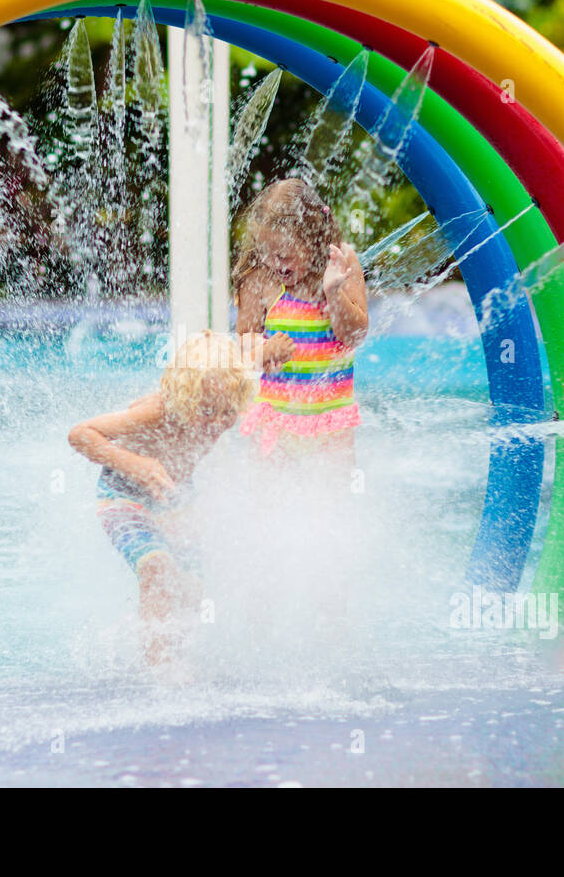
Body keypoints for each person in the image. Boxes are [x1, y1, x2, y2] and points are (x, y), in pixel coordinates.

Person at [68, 330, 255, 666]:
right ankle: (160, 671)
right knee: (157, 567)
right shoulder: (157, 410)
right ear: (183, 396)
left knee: (191, 591)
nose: (216, 421)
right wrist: (136, 464)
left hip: (176, 499)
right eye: (207, 410)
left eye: (227, 411)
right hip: (124, 496)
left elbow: (246, 366)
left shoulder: (223, 394)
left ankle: (179, 658)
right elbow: (80, 434)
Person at [233, 178, 369, 471]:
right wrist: (263, 350)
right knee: (268, 505)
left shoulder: (342, 263)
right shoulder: (259, 278)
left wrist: (333, 294)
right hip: (274, 422)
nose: (275, 263)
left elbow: (355, 335)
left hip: (332, 424)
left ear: (313, 238)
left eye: (283, 254)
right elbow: (244, 341)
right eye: (265, 253)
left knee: (333, 506)